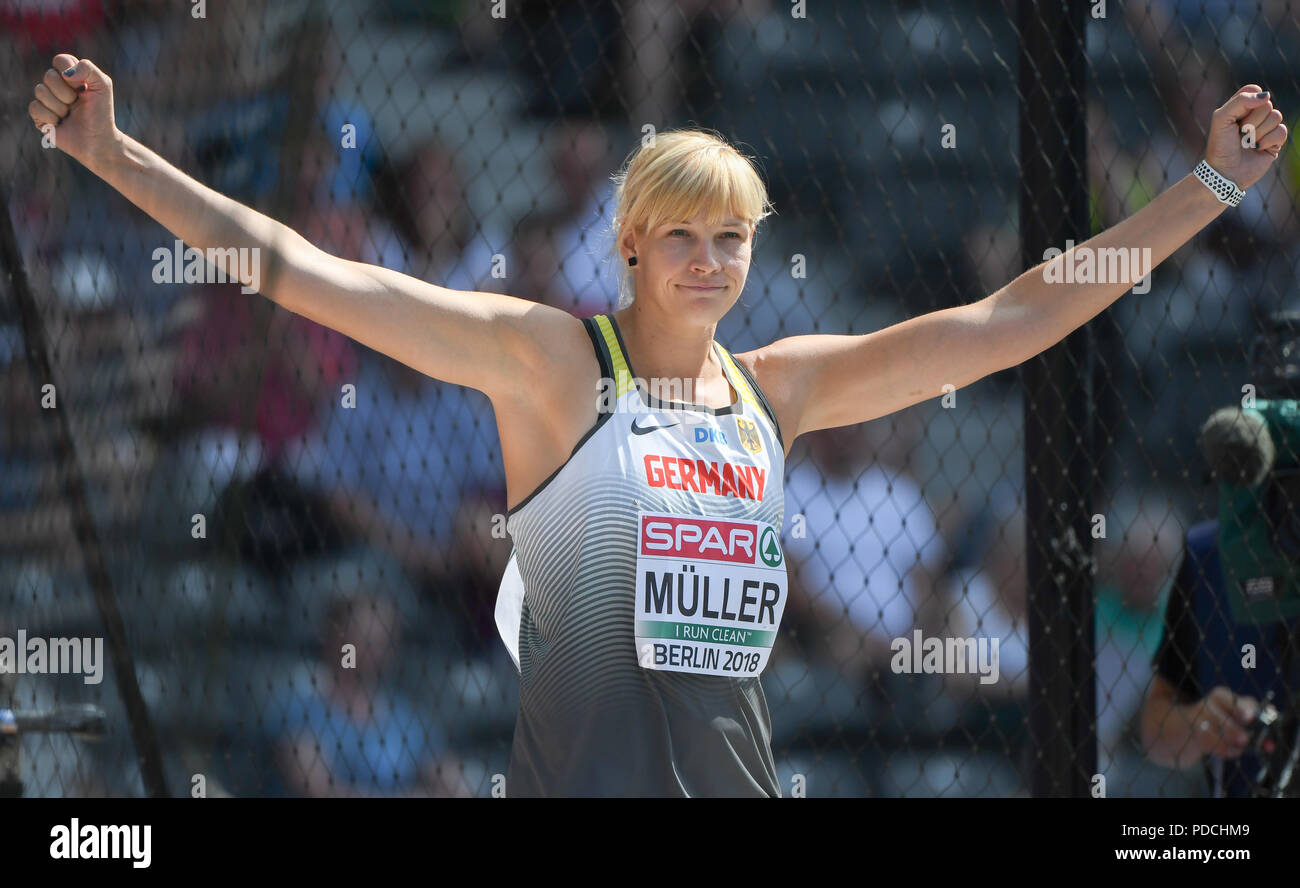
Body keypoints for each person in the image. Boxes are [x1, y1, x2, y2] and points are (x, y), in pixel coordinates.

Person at [28, 53, 1288, 796]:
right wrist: (111, 154)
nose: (707, 258)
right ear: (628, 243)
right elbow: (304, 271)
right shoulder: (549, 360)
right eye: (680, 234)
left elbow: (1017, 316)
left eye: (729, 238)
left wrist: (1211, 186)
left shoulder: (778, 386)